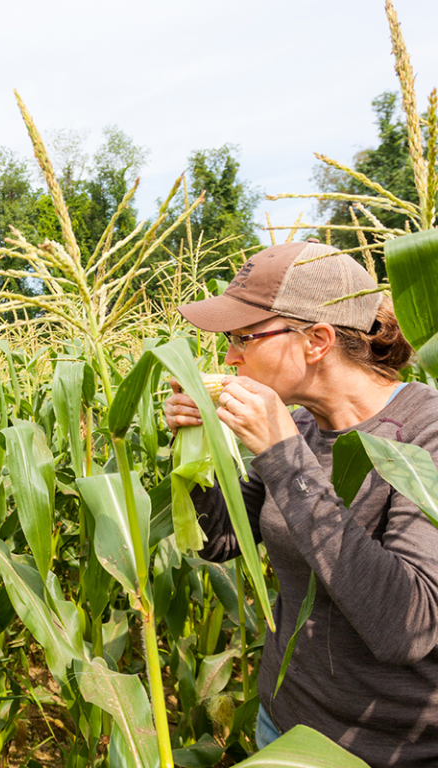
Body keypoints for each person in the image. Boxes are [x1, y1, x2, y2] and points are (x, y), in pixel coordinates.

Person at [164, 240, 438, 767]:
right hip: (286, 725)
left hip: (385, 750)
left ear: (317, 340)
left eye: (245, 338)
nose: (229, 358)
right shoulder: (302, 426)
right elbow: (220, 540)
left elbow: (409, 626)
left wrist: (282, 454)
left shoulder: (424, 438)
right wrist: (198, 450)